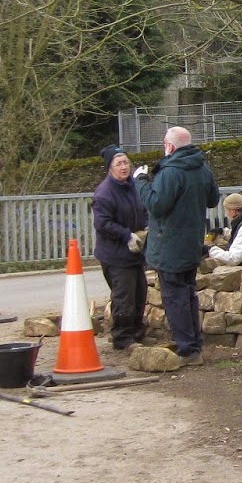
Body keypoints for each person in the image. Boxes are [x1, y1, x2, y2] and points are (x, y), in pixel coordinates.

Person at [133, 126, 219, 365]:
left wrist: (141, 182)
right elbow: (213, 199)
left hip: (170, 244)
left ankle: (187, 349)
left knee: (174, 297)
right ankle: (194, 344)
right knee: (188, 294)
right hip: (192, 242)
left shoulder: (170, 172)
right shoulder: (202, 168)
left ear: (170, 146)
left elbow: (157, 205)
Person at [92, 145, 149, 352]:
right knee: (124, 297)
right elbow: (102, 224)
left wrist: (146, 226)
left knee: (140, 293)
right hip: (115, 254)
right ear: (110, 167)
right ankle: (122, 337)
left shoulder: (132, 186)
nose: (124, 167)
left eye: (126, 162)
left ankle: (137, 333)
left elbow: (143, 210)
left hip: (134, 252)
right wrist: (126, 235)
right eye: (118, 164)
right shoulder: (104, 193)